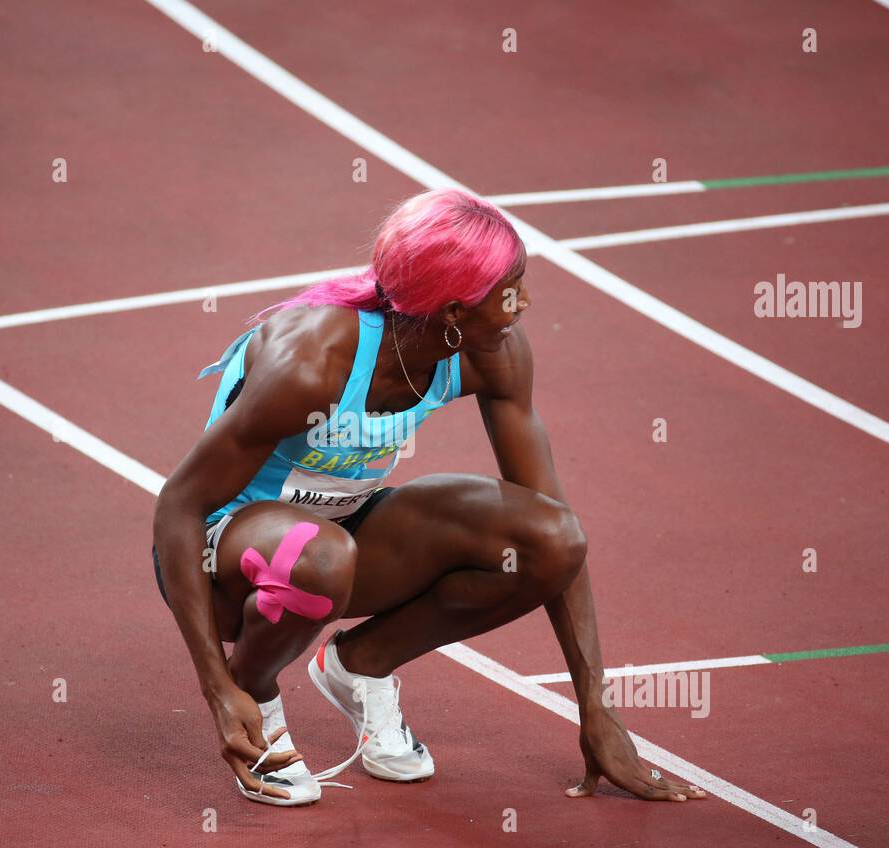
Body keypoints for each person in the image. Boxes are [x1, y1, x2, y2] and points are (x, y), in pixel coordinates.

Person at [152, 188, 707, 807]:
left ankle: (361, 664)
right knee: (320, 555)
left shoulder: (489, 353)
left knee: (550, 540)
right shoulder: (311, 362)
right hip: (226, 553)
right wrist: (215, 686)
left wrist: (595, 709)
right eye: (510, 290)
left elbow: (552, 521)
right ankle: (253, 689)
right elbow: (179, 504)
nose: (524, 304)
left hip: (343, 531)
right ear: (451, 311)